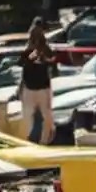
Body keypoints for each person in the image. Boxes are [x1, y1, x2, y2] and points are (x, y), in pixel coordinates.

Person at [21, 17, 57, 145]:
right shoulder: (27, 49)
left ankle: (44, 141)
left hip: (42, 87)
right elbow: (23, 66)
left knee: (47, 116)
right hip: (29, 87)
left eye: (39, 29)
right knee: (27, 117)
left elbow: (52, 63)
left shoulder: (46, 48)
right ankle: (27, 140)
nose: (37, 32)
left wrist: (44, 57)